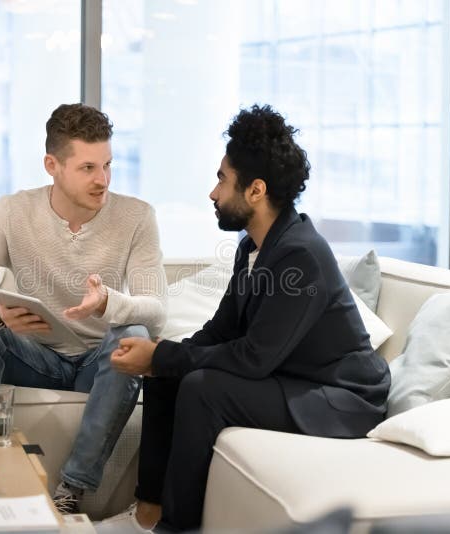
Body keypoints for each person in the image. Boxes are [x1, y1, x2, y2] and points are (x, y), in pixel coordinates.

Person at [103, 105, 391, 532]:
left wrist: (161, 356)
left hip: (341, 397)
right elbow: (223, 329)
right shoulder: (253, 247)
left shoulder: (301, 254)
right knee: (168, 373)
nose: (213, 193)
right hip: (294, 377)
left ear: (255, 190)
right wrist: (162, 357)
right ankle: (147, 515)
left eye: (222, 179)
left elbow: (255, 358)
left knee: (202, 387)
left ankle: (176, 527)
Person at [0, 103, 167, 515]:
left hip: (100, 366)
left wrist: (109, 303)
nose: (103, 180)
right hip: (37, 357)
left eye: (108, 165)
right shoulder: (13, 212)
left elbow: (156, 311)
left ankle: (72, 490)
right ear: (52, 165)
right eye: (87, 168)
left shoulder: (137, 217)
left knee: (133, 335)